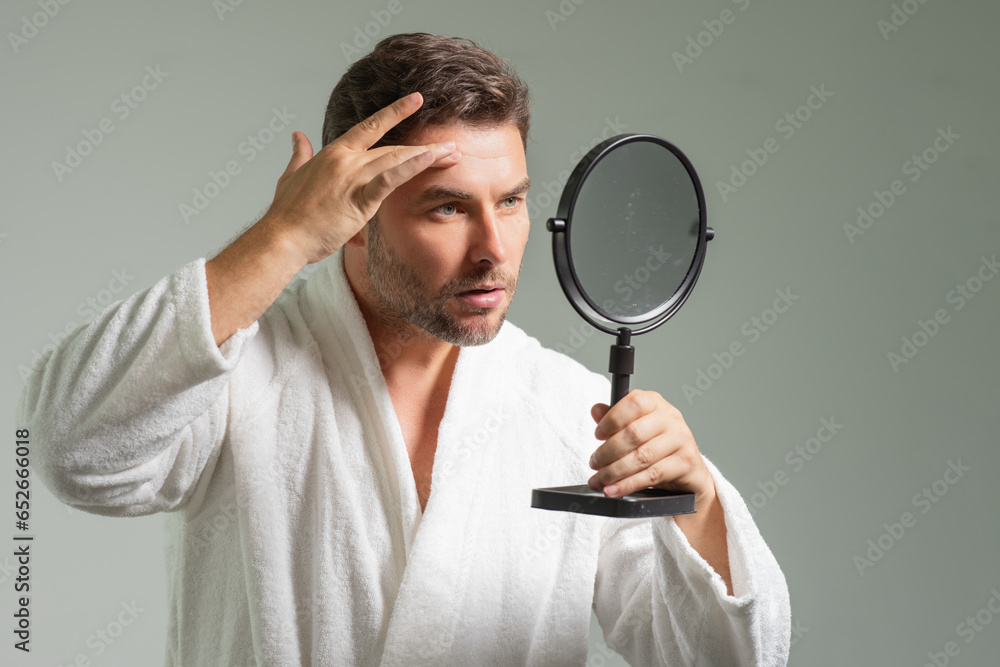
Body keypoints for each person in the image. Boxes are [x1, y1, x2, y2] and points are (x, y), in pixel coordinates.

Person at [17, 32, 790, 666]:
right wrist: (280, 238)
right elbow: (69, 448)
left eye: (512, 202)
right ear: (354, 216)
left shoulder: (570, 412)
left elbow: (736, 657)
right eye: (448, 208)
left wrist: (699, 505)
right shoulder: (236, 372)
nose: (494, 249)